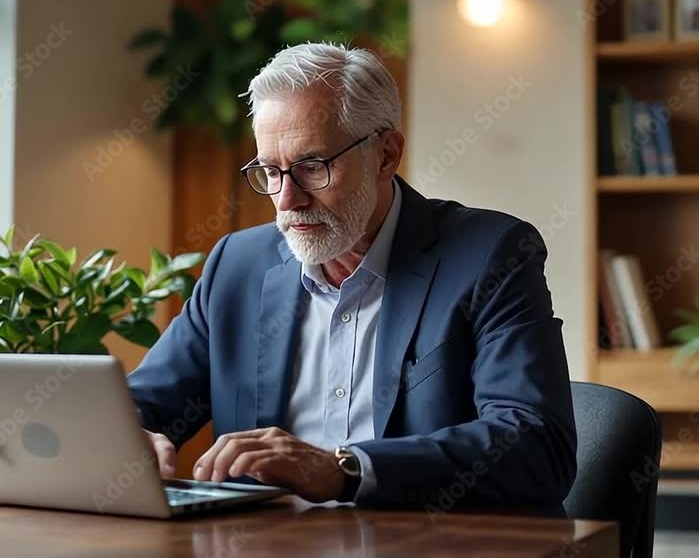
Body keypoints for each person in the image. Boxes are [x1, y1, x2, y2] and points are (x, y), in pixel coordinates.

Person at [127, 42, 576, 506]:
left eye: (312, 167)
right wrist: (127, 437)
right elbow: (142, 406)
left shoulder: (489, 254)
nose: (286, 200)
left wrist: (346, 468)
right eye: (270, 172)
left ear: (385, 154)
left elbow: (537, 446)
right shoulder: (238, 266)